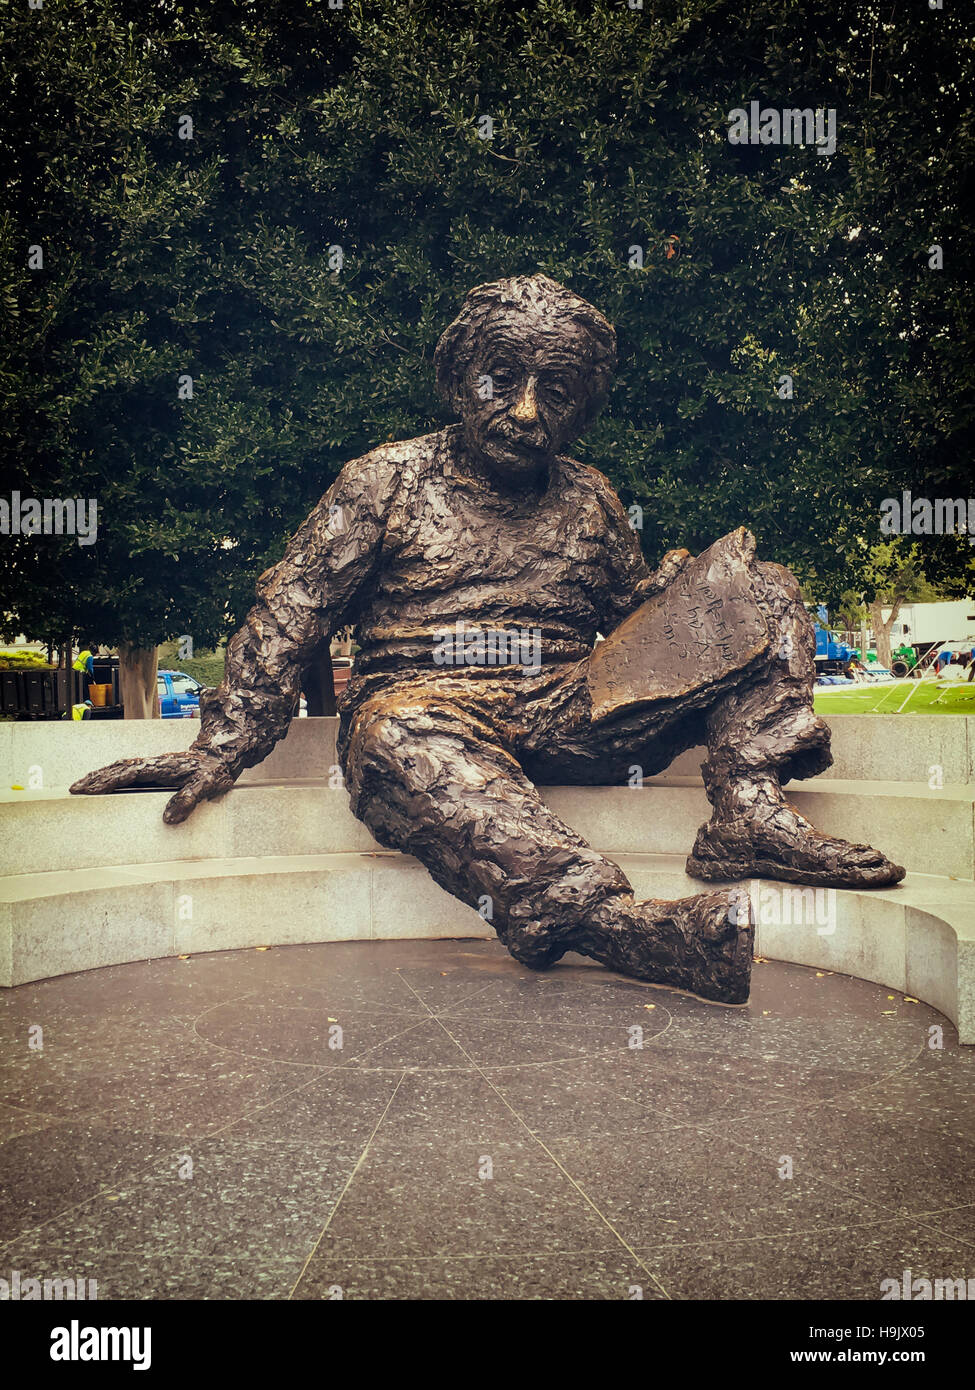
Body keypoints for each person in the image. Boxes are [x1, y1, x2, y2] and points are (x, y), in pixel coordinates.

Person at [70, 274, 905, 1004]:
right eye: (500, 379)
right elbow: (293, 610)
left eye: (559, 391)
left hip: (574, 703)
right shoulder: (384, 481)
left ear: (586, 406)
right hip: (426, 710)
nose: (527, 411)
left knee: (760, 587)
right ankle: (622, 927)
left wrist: (680, 593)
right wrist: (224, 740)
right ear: (454, 378)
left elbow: (634, 619)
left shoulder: (591, 498)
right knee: (393, 734)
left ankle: (748, 811)